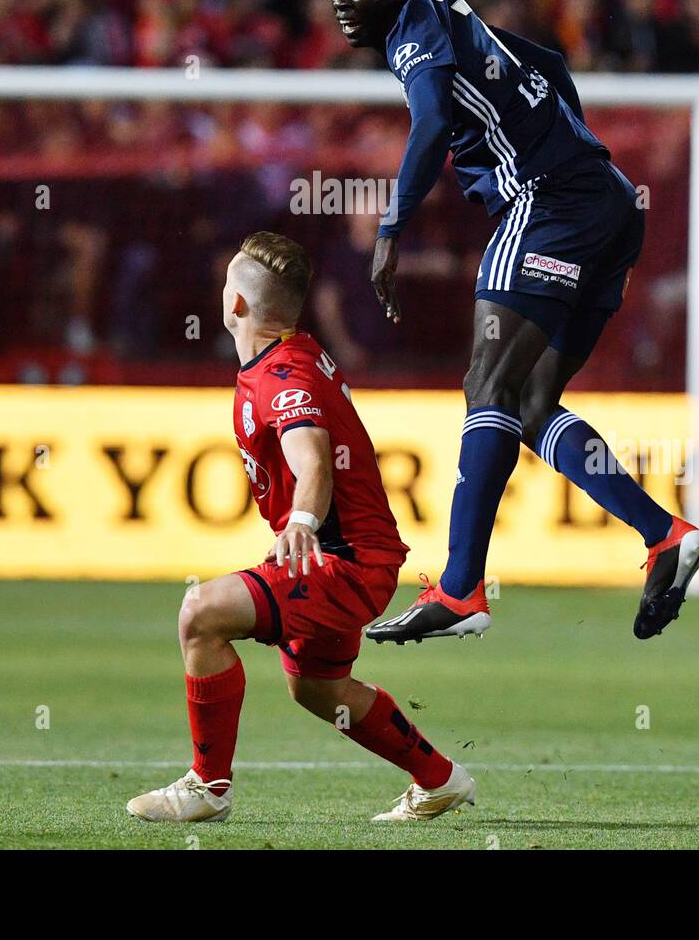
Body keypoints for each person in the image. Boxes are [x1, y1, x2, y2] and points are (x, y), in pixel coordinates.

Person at [330, 0, 699, 644]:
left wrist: (392, 227)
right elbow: (548, 63)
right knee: (527, 402)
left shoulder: (412, 33)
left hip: (547, 202)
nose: (339, 0)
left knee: (485, 384)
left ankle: (459, 589)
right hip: (604, 202)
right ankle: (663, 535)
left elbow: (434, 123)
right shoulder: (444, 7)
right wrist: (575, 150)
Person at [126, 231, 475, 824]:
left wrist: (305, 520)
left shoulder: (285, 376)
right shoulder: (291, 355)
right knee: (317, 688)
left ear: (235, 305)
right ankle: (441, 779)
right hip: (353, 555)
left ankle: (207, 787)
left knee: (200, 613)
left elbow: (311, 458)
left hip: (344, 561)